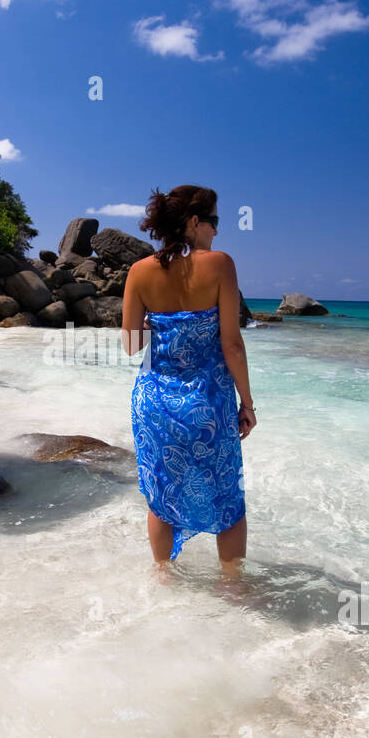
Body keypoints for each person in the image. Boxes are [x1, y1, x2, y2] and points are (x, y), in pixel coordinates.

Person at [122, 185, 256, 577]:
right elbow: (231, 343)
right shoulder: (220, 265)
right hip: (207, 404)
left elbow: (130, 345)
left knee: (161, 496)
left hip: (155, 404)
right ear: (195, 222)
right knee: (226, 501)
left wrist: (153, 325)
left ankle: (164, 582)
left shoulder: (139, 271)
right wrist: (246, 404)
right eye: (214, 222)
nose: (217, 231)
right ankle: (234, 591)